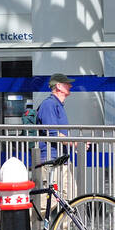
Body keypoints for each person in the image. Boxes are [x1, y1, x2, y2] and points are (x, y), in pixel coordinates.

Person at [35, 74, 77, 211]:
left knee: (70, 199)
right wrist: (75, 143)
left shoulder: (57, 105)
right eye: (67, 84)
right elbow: (52, 133)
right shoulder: (49, 104)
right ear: (58, 86)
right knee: (47, 203)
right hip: (51, 161)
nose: (70, 86)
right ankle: (28, 229)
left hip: (60, 160)